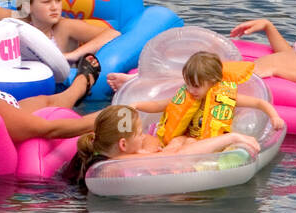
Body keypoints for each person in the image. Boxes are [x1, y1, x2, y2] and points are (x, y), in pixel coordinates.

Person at [62, 103, 262, 189]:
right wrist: (231, 137)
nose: (143, 138)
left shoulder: (99, 148)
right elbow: (179, 157)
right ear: (122, 144)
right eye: (139, 134)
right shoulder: (111, 166)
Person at [114, 51, 282, 153]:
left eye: (196, 86)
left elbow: (260, 103)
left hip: (206, 142)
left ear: (213, 82)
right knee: (175, 142)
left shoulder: (225, 97)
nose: (191, 90)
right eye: (188, 84)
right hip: (184, 136)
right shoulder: (186, 95)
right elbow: (158, 105)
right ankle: (163, 160)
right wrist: (136, 105)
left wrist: (274, 117)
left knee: (190, 143)